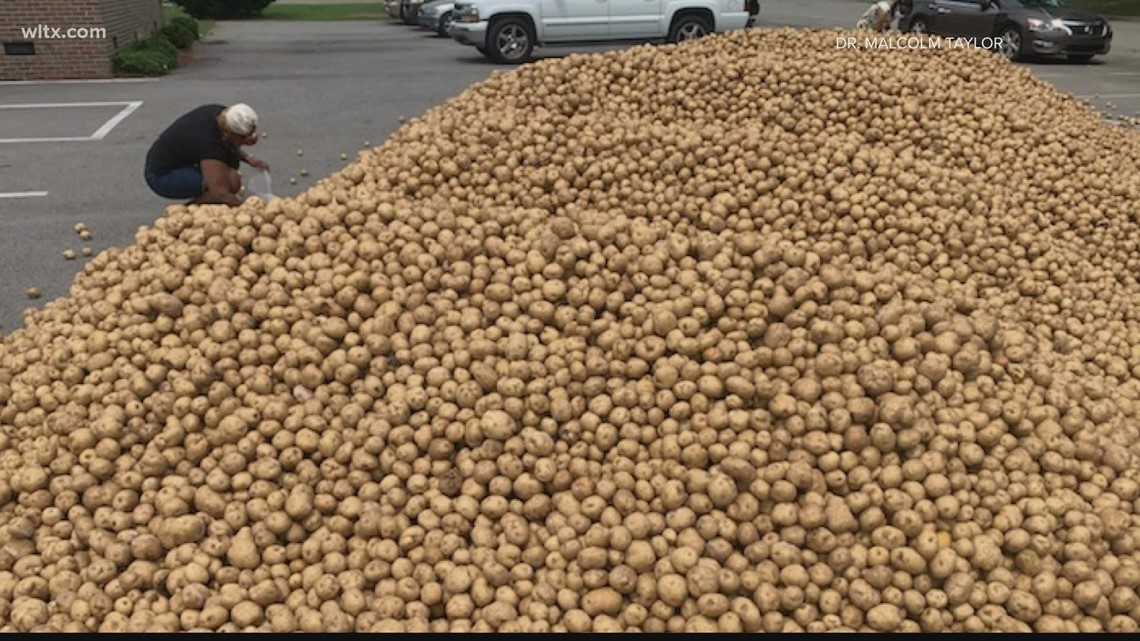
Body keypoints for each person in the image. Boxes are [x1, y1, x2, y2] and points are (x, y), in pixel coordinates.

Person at [144, 103, 269, 206]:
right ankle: (184, 213)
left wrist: (248, 159)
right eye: (241, 139)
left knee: (230, 177)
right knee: (230, 182)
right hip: (162, 176)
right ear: (231, 133)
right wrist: (247, 212)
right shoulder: (209, 142)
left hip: (182, 162)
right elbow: (220, 193)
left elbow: (229, 143)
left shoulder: (221, 114)